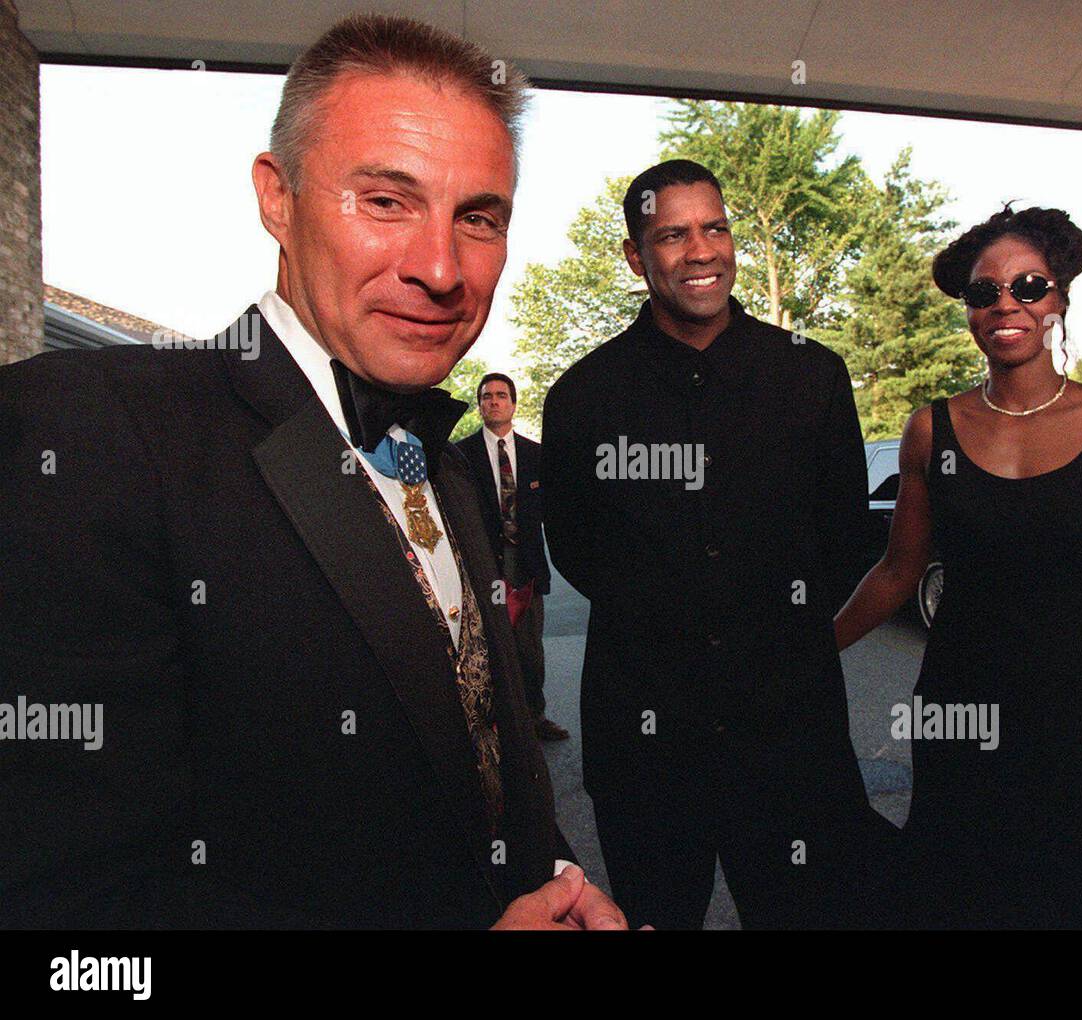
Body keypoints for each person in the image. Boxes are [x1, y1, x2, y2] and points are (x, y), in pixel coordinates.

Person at [0, 13, 627, 931]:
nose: (442, 268)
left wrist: (561, 886)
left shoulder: (442, 465)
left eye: (479, 218)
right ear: (277, 197)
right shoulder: (94, 428)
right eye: (386, 201)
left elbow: (483, 748)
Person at [542, 159, 898, 930]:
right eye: (672, 234)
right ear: (637, 257)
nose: (701, 251)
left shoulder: (811, 375)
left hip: (791, 743)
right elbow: (575, 547)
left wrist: (779, 630)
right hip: (646, 752)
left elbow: (843, 535)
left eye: (715, 227)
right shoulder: (582, 396)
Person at [834, 205, 1082, 929]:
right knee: (952, 907)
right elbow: (896, 572)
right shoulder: (930, 428)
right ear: (970, 311)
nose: (1007, 304)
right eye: (985, 292)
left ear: (1060, 298)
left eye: (1029, 286)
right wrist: (805, 650)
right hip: (956, 721)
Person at [457, 373, 568, 741]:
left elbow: (555, 510)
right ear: (480, 404)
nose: (494, 401)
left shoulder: (538, 455)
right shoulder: (461, 455)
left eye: (501, 395)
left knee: (530, 651)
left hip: (528, 566)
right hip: (486, 565)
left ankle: (534, 718)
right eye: (487, 396)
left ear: (513, 404)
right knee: (491, 645)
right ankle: (495, 722)